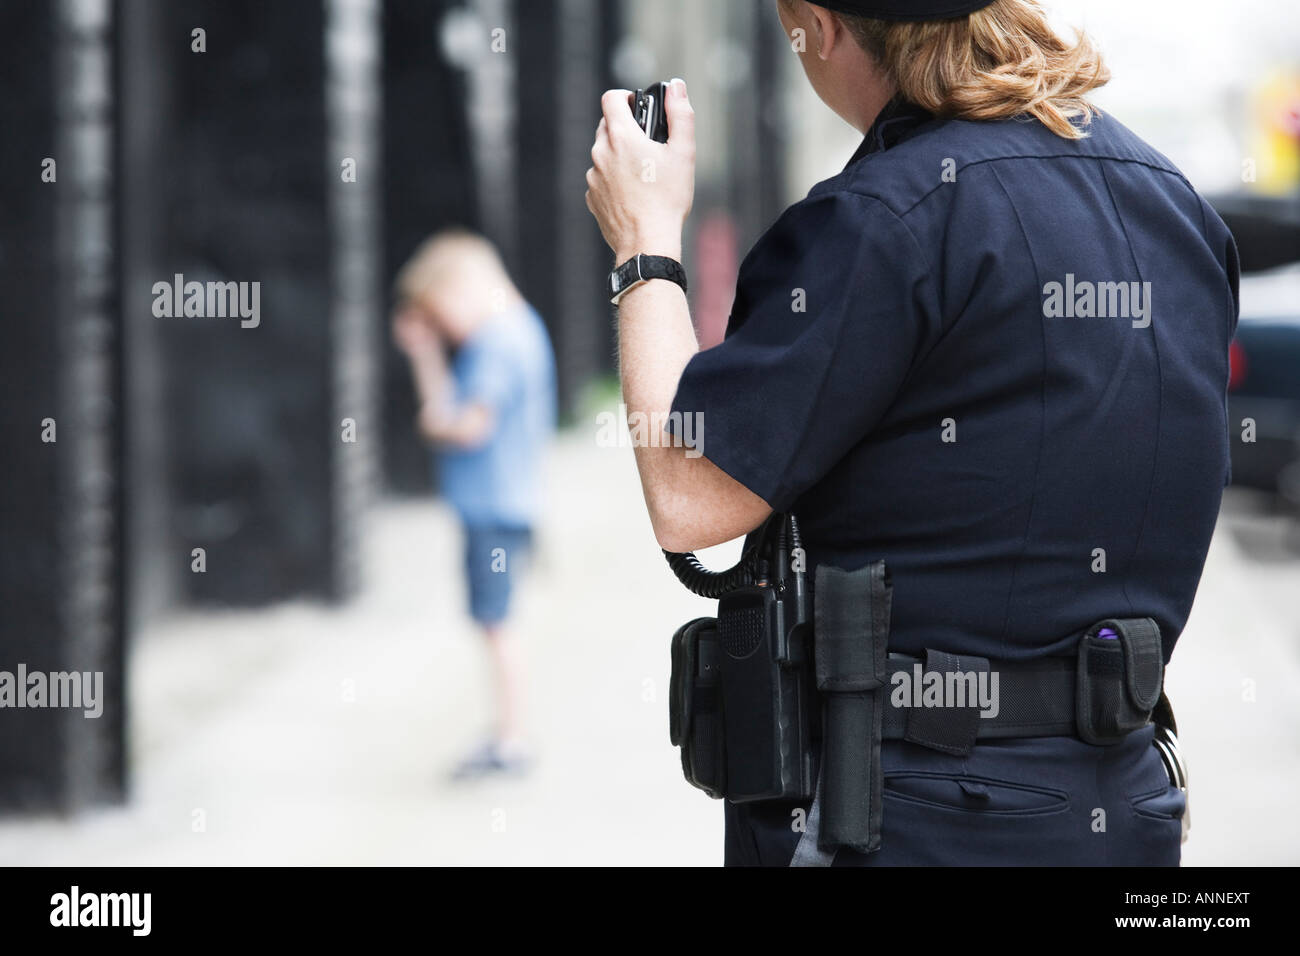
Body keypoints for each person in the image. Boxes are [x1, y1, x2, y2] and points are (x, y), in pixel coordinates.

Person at [585, 0, 1238, 865]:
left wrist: (645, 247)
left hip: (913, 815)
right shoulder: (1174, 203)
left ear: (817, 25)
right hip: (1125, 804)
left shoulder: (882, 218)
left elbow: (689, 495)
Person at [392, 229, 556, 780]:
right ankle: (506, 734)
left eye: (442, 315)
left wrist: (425, 360)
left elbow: (463, 425)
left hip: (495, 511)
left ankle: (510, 743)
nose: (446, 330)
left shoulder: (496, 343)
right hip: (508, 505)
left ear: (465, 288)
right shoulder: (522, 330)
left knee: (497, 623)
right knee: (497, 621)